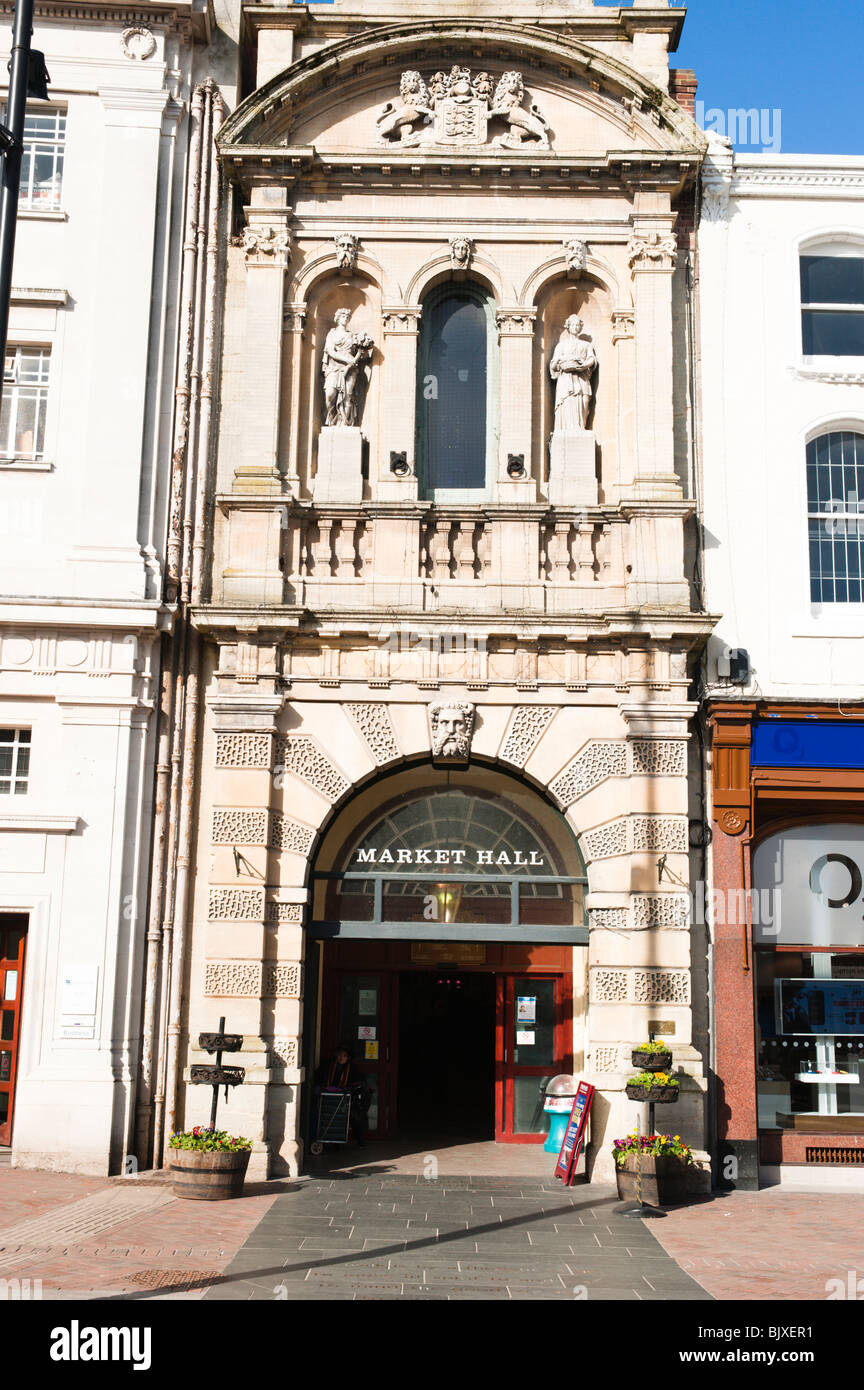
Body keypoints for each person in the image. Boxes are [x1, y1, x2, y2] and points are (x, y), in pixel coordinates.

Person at [313, 1042, 370, 1146]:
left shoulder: (352, 1068)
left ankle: (360, 1140)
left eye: (344, 1056)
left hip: (345, 1099)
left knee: (354, 1116)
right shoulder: (328, 1065)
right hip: (328, 1098)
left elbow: (359, 1082)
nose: (341, 1058)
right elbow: (318, 1077)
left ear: (348, 1057)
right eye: (339, 1055)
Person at [549, 314, 597, 431]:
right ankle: (567, 429)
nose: (575, 327)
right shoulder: (561, 345)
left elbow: (592, 358)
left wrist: (584, 365)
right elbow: (553, 363)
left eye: (577, 325)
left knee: (584, 402)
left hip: (581, 378)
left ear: (580, 327)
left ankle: (581, 427)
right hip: (566, 379)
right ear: (568, 327)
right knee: (567, 401)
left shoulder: (586, 345)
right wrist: (562, 363)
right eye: (573, 325)